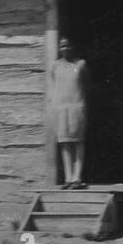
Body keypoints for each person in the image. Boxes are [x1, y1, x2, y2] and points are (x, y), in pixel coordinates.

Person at [47, 37, 89, 189]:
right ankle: (68, 178)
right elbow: (54, 85)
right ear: (59, 48)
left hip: (77, 105)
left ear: (73, 47)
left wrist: (82, 102)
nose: (65, 48)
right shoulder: (55, 66)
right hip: (60, 107)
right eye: (62, 46)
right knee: (64, 142)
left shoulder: (80, 64)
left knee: (77, 141)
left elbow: (86, 85)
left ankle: (77, 177)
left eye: (68, 45)